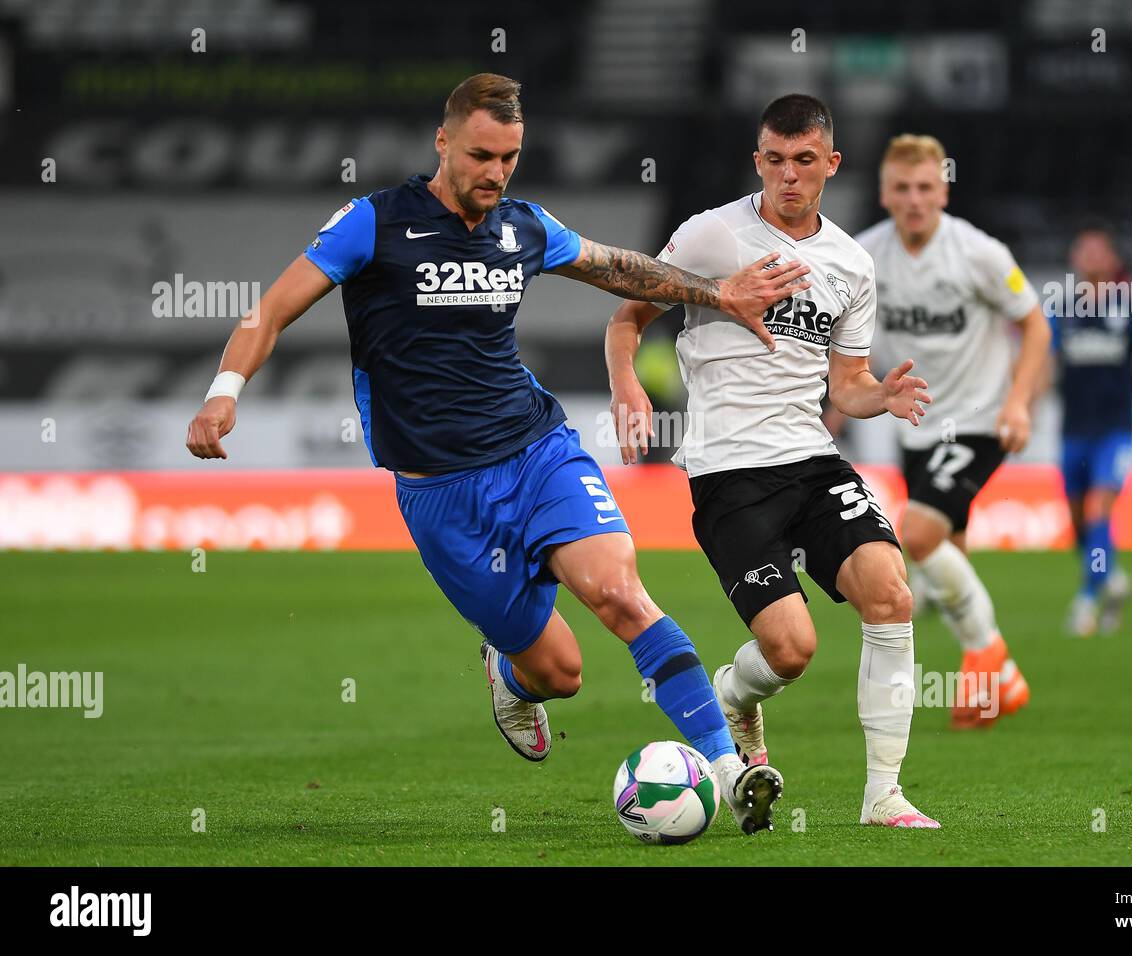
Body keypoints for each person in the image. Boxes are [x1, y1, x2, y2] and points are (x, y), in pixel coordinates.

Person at [184, 73, 808, 834]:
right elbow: (271, 308)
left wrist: (719, 295)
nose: (496, 172)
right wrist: (225, 389)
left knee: (619, 593)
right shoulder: (372, 223)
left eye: (510, 156)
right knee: (561, 672)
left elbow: (620, 268)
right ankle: (510, 674)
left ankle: (728, 769)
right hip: (441, 492)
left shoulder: (524, 226)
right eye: (482, 154)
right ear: (443, 142)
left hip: (537, 450)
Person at [607, 94, 939, 828]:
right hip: (729, 473)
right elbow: (627, 314)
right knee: (791, 652)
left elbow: (845, 384)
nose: (789, 176)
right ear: (758, 160)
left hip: (814, 463)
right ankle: (733, 694)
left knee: (891, 594)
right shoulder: (710, 236)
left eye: (805, 161)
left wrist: (876, 394)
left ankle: (884, 794)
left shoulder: (850, 264)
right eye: (775, 160)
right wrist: (627, 381)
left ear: (832, 164)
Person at [854, 134, 1049, 728]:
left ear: (943, 189)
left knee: (917, 534)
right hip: (916, 427)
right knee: (947, 556)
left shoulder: (978, 253)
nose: (915, 199)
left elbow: (1035, 325)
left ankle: (993, 659)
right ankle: (995, 680)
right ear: (886, 193)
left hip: (979, 419)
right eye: (903, 188)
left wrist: (1018, 403)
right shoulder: (863, 257)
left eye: (926, 188)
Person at [1051, 224, 1132, 636]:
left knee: (1100, 506)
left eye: (1096, 250)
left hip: (1116, 430)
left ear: (1111, 260)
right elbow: (1043, 364)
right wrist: (1025, 407)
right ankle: (1114, 578)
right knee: (1077, 522)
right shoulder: (1062, 309)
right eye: (1081, 249)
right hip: (1074, 430)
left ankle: (1086, 601)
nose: (1088, 257)